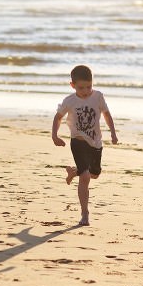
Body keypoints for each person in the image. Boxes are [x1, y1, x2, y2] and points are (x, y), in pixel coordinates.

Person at [51, 65, 118, 226]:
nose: (86, 91)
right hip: (78, 141)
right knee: (86, 177)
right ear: (72, 85)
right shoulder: (70, 101)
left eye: (89, 86)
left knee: (94, 174)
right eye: (81, 88)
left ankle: (74, 172)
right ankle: (84, 213)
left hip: (95, 142)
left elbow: (106, 114)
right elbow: (58, 117)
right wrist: (55, 135)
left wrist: (113, 133)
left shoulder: (98, 96)